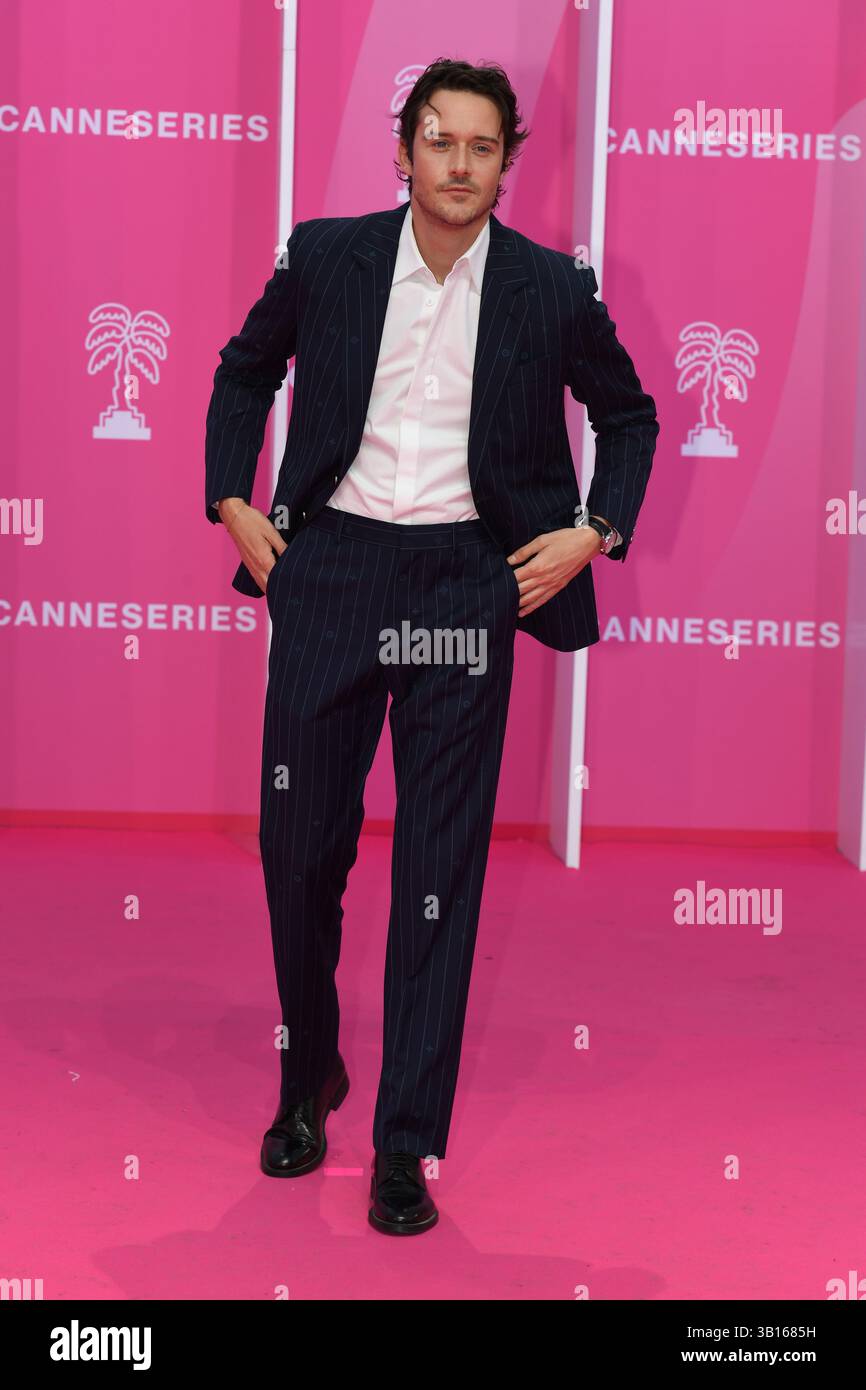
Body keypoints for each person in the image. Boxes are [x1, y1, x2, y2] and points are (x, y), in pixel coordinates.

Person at [204, 57, 659, 1236]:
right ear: (402, 150)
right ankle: (308, 1075)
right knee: (298, 848)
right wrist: (233, 503)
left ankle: (405, 1140)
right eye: (438, 141)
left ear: (507, 161)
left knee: (437, 876)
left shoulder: (551, 289)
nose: (458, 165)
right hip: (333, 570)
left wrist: (590, 532)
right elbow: (245, 367)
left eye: (481, 146)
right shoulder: (329, 254)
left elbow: (629, 411)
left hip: (468, 581)